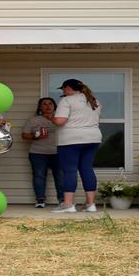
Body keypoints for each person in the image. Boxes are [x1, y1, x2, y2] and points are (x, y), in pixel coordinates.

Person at [51, 79, 102, 213]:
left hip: (71, 139)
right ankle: (91, 204)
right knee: (87, 169)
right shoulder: (94, 100)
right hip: (93, 138)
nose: (63, 91)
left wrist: (52, 118)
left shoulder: (67, 100)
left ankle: (68, 205)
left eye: (63, 89)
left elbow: (60, 121)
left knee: (69, 170)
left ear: (69, 88)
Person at [22, 97, 63, 208]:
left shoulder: (60, 119)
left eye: (50, 104)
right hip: (38, 152)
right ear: (40, 107)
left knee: (60, 176)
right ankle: (40, 200)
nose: (48, 106)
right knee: (39, 176)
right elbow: (24, 135)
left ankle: (62, 200)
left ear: (55, 106)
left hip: (58, 152)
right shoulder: (34, 120)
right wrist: (36, 136)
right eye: (44, 104)